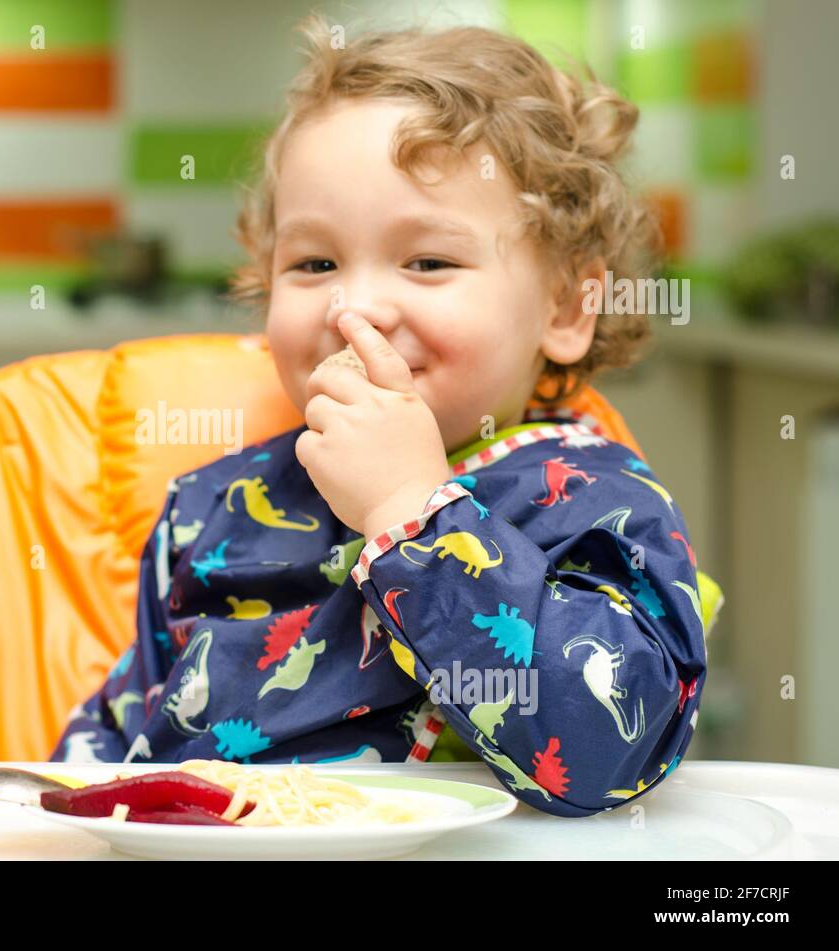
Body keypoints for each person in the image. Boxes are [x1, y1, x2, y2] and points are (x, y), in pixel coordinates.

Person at [48, 16, 713, 818]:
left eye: (428, 261)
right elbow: (126, 731)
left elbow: (611, 750)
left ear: (568, 306)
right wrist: (63, 807)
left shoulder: (596, 502)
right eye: (314, 263)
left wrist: (411, 512)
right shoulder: (207, 509)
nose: (351, 304)